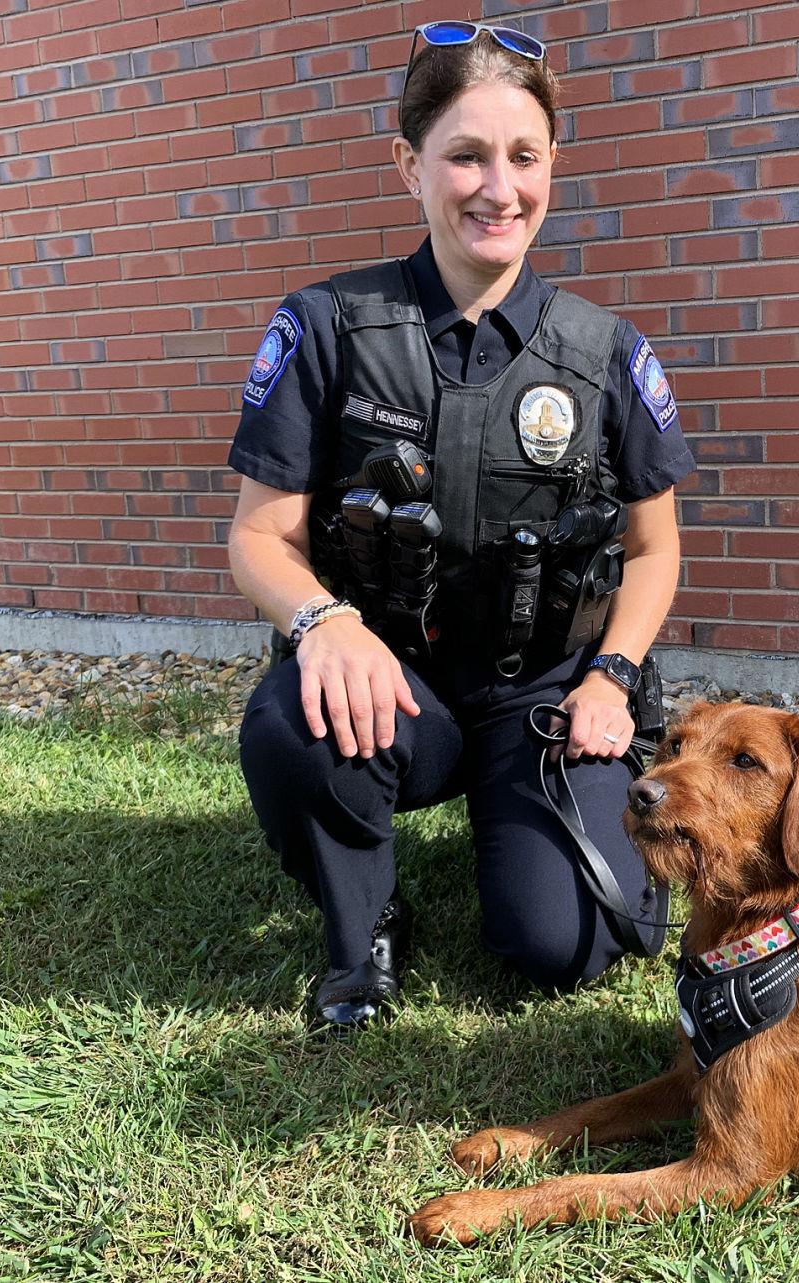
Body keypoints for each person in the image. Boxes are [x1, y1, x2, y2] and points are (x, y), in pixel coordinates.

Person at [225, 22, 694, 1031]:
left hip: (544, 693)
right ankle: (366, 913)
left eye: (524, 157)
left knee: (561, 944)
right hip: (393, 680)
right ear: (409, 164)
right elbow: (257, 537)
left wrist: (611, 676)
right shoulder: (325, 328)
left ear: (552, 166)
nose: (498, 187)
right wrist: (323, 623)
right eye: (465, 155)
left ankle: (519, 828)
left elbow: (657, 550)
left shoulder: (604, 352)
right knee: (292, 728)